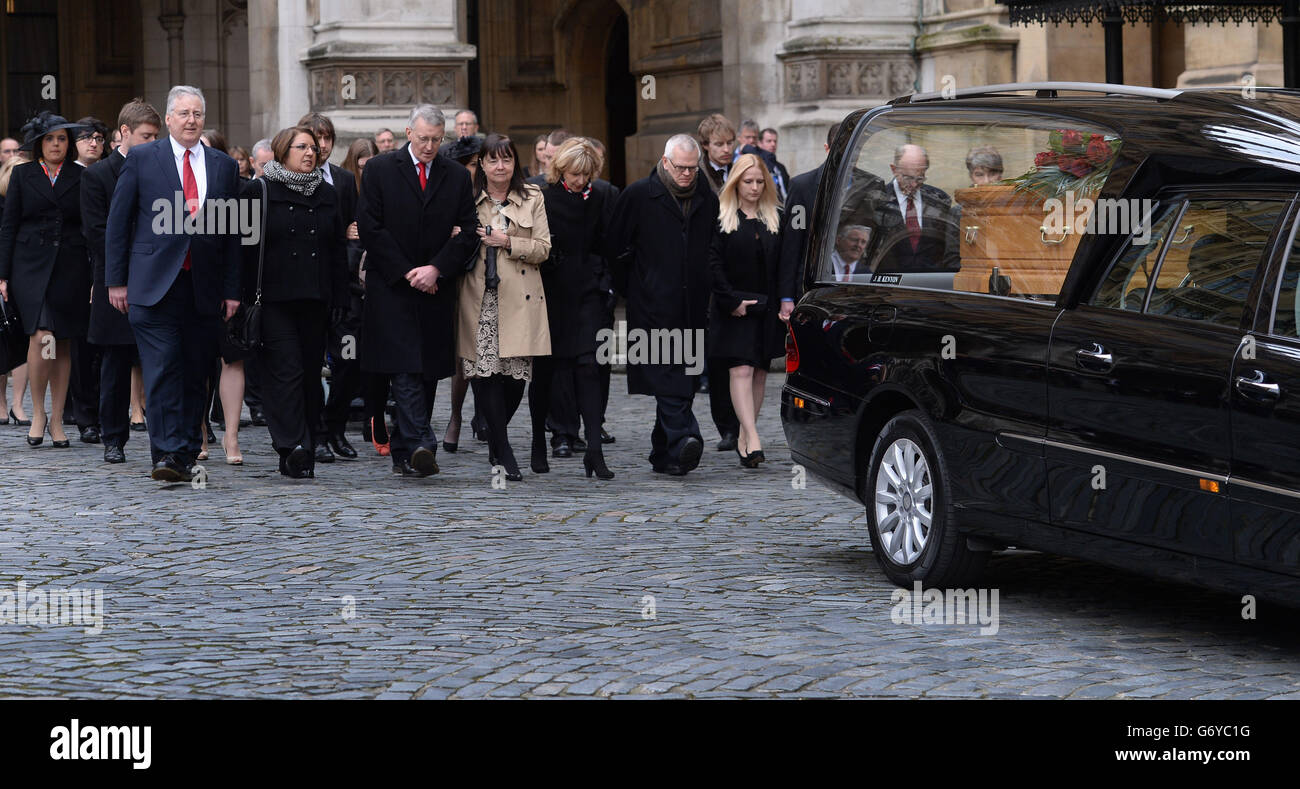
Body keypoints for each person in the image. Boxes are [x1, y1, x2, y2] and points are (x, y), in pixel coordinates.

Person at [105, 85, 242, 483]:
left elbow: (232, 233)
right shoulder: (144, 159)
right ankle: (165, 453)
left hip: (203, 285)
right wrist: (116, 281)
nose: (191, 120)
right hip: (152, 284)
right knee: (162, 367)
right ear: (168, 119)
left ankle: (183, 451)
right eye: (183, 113)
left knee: (196, 370)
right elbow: (119, 222)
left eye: (197, 113)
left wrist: (232, 290)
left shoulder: (223, 166)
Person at [357, 104, 477, 478]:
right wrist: (407, 271)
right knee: (405, 367)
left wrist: (436, 268)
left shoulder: (455, 175)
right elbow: (370, 226)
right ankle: (423, 441)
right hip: (392, 286)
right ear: (409, 133)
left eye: (436, 140)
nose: (429, 146)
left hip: (435, 288)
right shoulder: (379, 169)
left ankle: (405, 452)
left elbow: (469, 231)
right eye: (423, 138)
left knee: (426, 371)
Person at [606, 133, 717, 475]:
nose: (686, 174)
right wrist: (636, 288)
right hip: (652, 306)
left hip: (692, 306)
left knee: (683, 377)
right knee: (668, 377)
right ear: (665, 162)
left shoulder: (705, 198)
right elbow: (615, 247)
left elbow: (711, 248)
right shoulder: (639, 194)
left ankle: (665, 454)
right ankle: (686, 437)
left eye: (692, 168)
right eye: (680, 167)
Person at [242, 125, 349, 479]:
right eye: (301, 147)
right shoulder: (258, 190)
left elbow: (336, 251)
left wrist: (340, 297)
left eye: (314, 148)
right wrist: (236, 297)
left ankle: (300, 447)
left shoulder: (328, 194)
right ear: (282, 150)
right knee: (284, 372)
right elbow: (243, 249)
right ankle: (293, 446)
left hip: (315, 299)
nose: (310, 153)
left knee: (307, 374)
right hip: (274, 299)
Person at [458, 133, 551, 482]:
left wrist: (507, 241)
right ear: (481, 164)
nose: (501, 166)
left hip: (520, 297)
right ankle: (504, 448)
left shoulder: (532, 197)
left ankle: (496, 437)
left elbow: (543, 247)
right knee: (485, 373)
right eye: (493, 160)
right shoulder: (466, 199)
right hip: (479, 295)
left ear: (516, 163)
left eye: (507, 159)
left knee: (515, 379)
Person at [0, 111, 89, 449]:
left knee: (62, 341)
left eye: (62, 139)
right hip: (30, 267)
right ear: (39, 144)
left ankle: (56, 419)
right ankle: (38, 412)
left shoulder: (80, 177)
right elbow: (8, 227)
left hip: (70, 266)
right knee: (41, 337)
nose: (56, 144)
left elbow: (88, 225)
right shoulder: (22, 175)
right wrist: (2, 275)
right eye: (50, 139)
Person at [82, 98, 161, 464]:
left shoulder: (162, 170)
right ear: (124, 133)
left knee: (159, 362)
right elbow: (98, 233)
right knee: (115, 361)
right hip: (115, 279)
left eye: (156, 136)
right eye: (146, 136)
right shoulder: (98, 176)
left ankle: (166, 441)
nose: (153, 142)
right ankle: (114, 437)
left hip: (158, 278)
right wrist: (123, 275)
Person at [532, 137, 613, 479]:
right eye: (574, 173)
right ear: (560, 169)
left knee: (590, 368)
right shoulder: (543, 197)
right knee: (548, 371)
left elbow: (610, 243)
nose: (580, 180)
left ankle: (594, 449)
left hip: (588, 294)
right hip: (550, 294)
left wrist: (604, 281)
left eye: (586, 174)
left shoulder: (604, 196)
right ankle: (540, 440)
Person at [708, 153, 786, 468]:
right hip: (734, 307)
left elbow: (785, 266)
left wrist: (784, 302)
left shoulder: (776, 217)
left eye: (758, 181)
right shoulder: (722, 216)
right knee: (740, 369)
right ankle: (753, 437)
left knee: (759, 373)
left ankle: (743, 436)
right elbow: (712, 264)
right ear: (736, 183)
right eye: (747, 181)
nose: (754, 187)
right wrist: (731, 301)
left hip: (766, 308)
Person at [298, 111, 358, 463]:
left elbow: (354, 230)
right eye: (314, 137)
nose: (321, 145)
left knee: (349, 359)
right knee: (308, 364)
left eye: (327, 138)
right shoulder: (290, 179)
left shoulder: (344, 180)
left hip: (343, 289)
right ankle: (317, 432)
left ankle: (335, 426)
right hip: (307, 288)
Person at [341, 137, 391, 456]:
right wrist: (345, 230)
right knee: (348, 357)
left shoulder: (385, 188)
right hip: (349, 286)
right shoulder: (346, 189)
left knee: (377, 359)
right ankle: (344, 415)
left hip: (377, 280)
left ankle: (374, 417)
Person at [438, 133, 484, 454]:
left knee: (487, 351)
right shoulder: (449, 188)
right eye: (470, 164)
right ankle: (455, 416)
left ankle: (485, 416)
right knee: (463, 355)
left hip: (490, 276)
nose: (477, 169)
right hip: (458, 276)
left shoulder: (492, 192)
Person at [874, 144, 961, 273]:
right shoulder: (878, 201)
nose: (914, 184)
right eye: (908, 178)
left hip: (929, 284)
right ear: (893, 169)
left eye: (920, 178)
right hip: (888, 284)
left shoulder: (939, 200)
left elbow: (946, 249)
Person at [779, 122, 838, 312]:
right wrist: (787, 296)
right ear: (826, 148)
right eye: (838, 149)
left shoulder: (869, 185)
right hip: (811, 287)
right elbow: (792, 243)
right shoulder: (802, 187)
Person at [0, 152, 31, 427]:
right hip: (2, 277)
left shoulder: (32, 208)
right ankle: (0, 403)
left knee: (21, 341)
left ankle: (19, 404)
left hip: (23, 278)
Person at [698, 114, 735, 194]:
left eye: (729, 143)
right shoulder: (697, 175)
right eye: (719, 144)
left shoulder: (740, 170)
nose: (726, 150)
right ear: (705, 145)